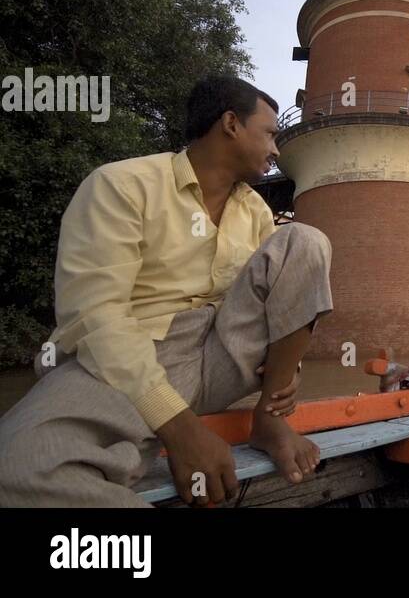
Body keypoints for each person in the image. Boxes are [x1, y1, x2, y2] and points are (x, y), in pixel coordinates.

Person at [0, 75, 334, 506]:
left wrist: (286, 377)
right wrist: (178, 427)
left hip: (226, 352)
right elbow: (97, 318)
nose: (276, 149)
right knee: (16, 468)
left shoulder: (255, 210)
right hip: (135, 356)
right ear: (231, 124)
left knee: (305, 240)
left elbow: (280, 298)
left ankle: (269, 422)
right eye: (270, 133)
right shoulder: (122, 185)